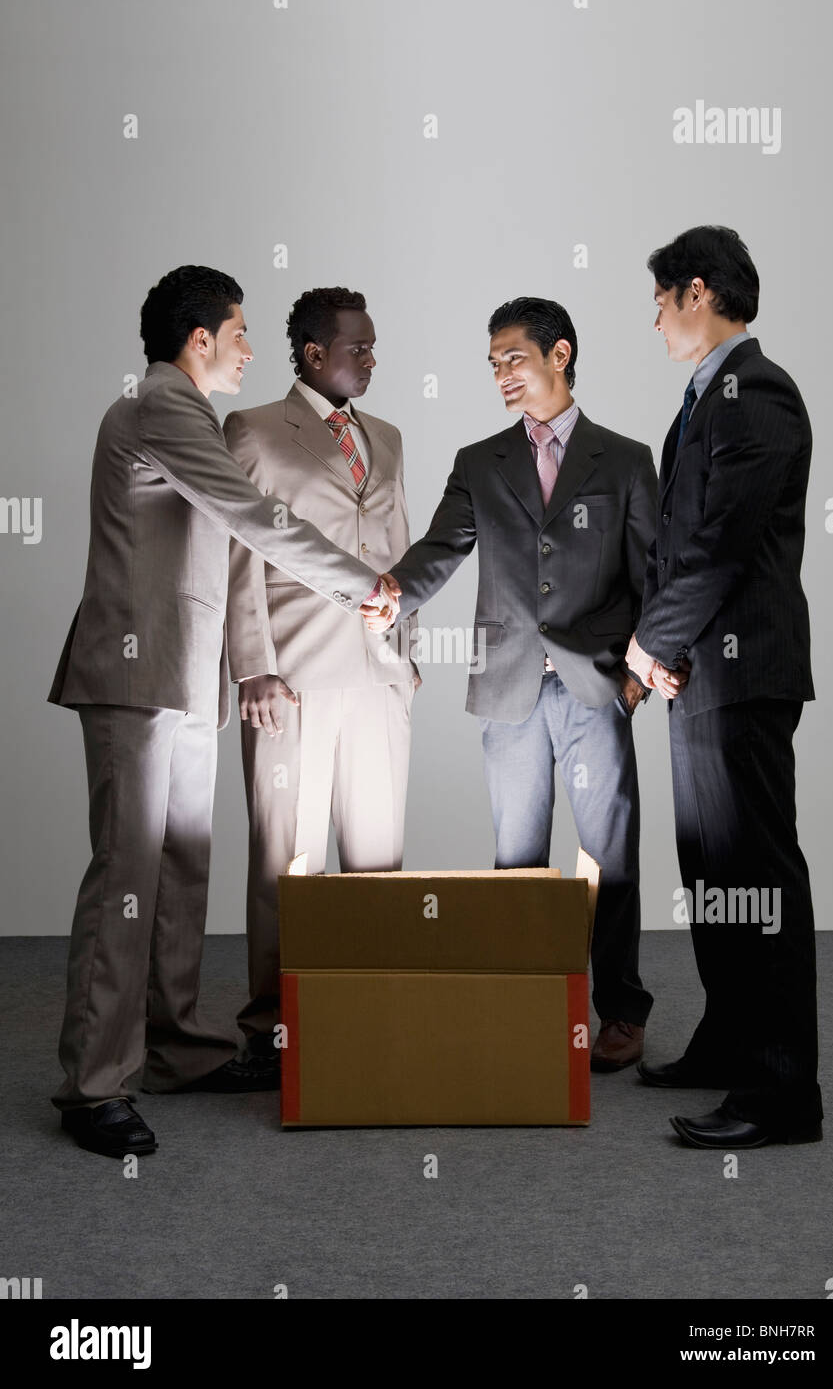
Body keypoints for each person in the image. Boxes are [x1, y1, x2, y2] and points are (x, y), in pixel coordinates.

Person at [48, 265, 398, 1158]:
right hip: (135, 676)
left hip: (181, 677)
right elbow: (253, 516)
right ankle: (94, 1086)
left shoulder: (186, 411)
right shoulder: (164, 405)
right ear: (197, 339)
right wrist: (366, 586)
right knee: (129, 878)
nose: (249, 348)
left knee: (182, 871)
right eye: (239, 333)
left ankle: (174, 1048)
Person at [371, 297, 659, 1072]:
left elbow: (650, 573)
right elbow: (440, 547)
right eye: (491, 362)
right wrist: (396, 591)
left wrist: (632, 681)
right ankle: (532, 1002)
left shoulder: (624, 459)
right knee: (518, 861)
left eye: (512, 358)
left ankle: (621, 1012)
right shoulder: (479, 461)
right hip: (506, 691)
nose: (499, 373)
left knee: (610, 858)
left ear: (558, 354)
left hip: (595, 688)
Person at [627, 225, 822, 1148]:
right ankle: (728, 1039)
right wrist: (665, 650)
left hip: (741, 669)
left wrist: (646, 643)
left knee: (755, 880)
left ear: (696, 292)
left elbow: (720, 543)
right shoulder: (711, 395)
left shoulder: (755, 391)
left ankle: (780, 1094)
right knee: (710, 872)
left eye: (660, 301)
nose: (655, 319)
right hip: (702, 669)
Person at [224, 287, 419, 1069]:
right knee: (288, 861)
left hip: (377, 679)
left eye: (373, 348)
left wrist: (405, 655)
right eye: (356, 348)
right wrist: (254, 667)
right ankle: (272, 1025)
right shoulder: (256, 431)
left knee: (377, 857)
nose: (370, 360)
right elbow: (238, 551)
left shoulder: (390, 438)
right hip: (291, 678)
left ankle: (371, 1007)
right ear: (312, 352)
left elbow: (400, 555)